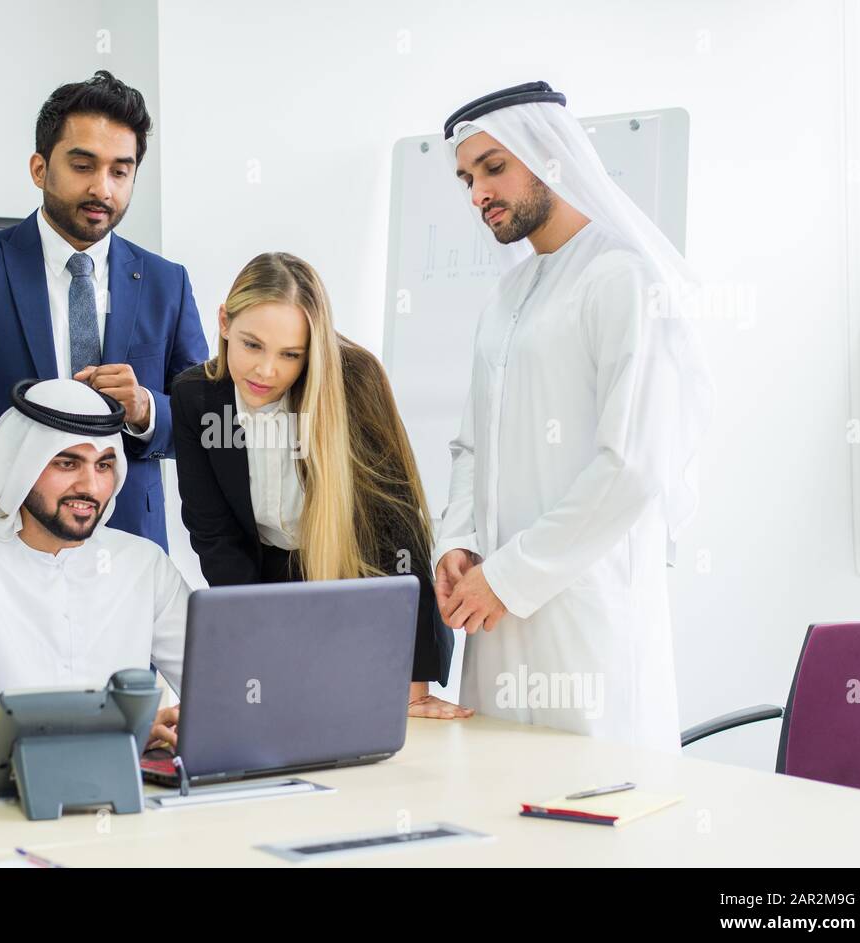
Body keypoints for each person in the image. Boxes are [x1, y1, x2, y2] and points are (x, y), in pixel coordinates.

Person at [433, 82, 714, 752]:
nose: (478, 193)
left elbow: (632, 465)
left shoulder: (624, 278)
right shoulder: (507, 293)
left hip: (585, 615)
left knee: (593, 813)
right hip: (495, 616)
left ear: (550, 156)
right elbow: (472, 445)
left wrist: (508, 577)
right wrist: (458, 540)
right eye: (468, 178)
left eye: (494, 167)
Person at [0, 70, 208, 560]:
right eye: (83, 165)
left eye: (120, 171)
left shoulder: (166, 282)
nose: (102, 189)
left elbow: (202, 421)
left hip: (127, 551)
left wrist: (146, 409)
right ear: (40, 168)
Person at [170, 252, 467, 719]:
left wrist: (412, 681)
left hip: (362, 586)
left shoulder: (354, 381)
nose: (267, 371)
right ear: (224, 322)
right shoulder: (194, 397)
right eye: (252, 345)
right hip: (265, 589)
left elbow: (399, 533)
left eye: (291, 354)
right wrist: (263, 651)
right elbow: (215, 538)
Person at [0, 378, 186, 752]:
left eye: (104, 465)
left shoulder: (145, 563)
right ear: (22, 465)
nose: (90, 486)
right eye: (67, 463)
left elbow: (214, 679)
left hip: (130, 789)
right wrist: (114, 725)